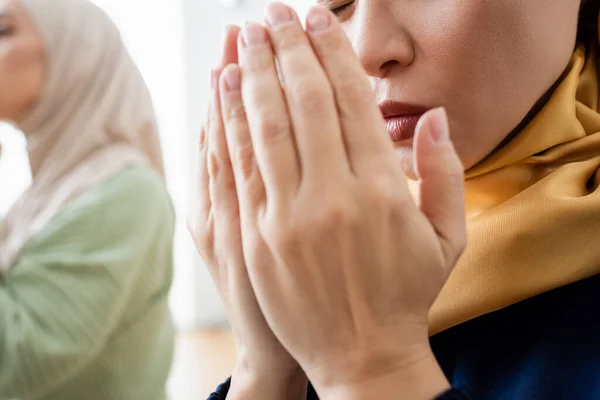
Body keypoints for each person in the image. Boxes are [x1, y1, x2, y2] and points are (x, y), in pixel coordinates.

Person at [190, 0, 600, 399]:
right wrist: (265, 372)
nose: (368, 49)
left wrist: (376, 369)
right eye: (338, 4)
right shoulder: (323, 238)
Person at [0, 0, 175, 399]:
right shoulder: (43, 193)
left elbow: (11, 366)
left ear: (74, 56)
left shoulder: (127, 193)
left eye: (3, 31)